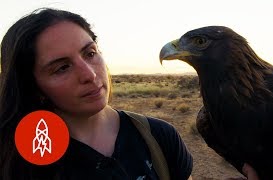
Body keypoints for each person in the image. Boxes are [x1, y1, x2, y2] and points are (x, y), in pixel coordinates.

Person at [0, 8, 193, 180]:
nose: (90, 75)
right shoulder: (16, 159)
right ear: (33, 86)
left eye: (90, 53)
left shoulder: (158, 136)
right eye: (62, 68)